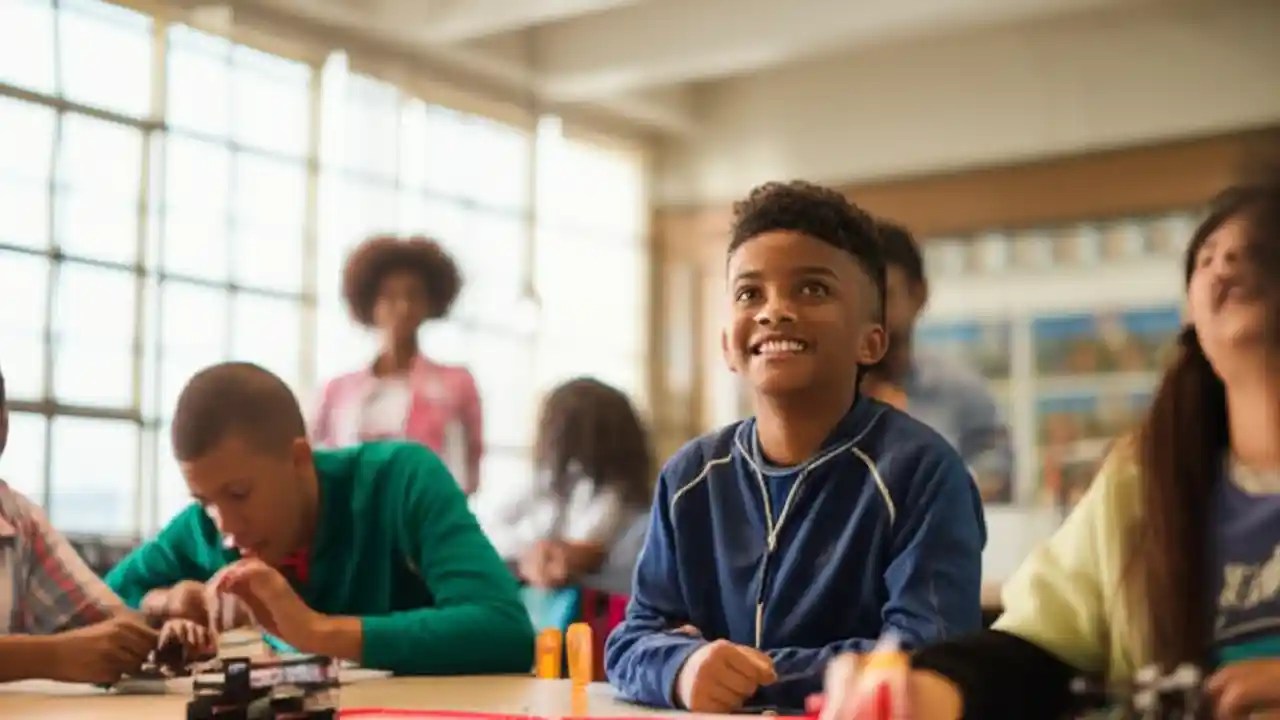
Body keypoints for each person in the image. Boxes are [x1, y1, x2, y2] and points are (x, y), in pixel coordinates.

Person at [818, 171, 1280, 720]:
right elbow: (1039, 646)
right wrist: (928, 692)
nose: (1224, 265)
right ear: (1190, 317)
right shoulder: (1140, 484)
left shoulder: (959, 395)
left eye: (1254, 250)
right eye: (1206, 257)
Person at [603, 181, 987, 713]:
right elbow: (630, 640)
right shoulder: (690, 477)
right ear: (727, 346)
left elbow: (926, 653)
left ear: (871, 340)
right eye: (749, 293)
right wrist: (684, 667)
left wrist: (749, 674)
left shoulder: (922, 473)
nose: (774, 310)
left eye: (812, 289)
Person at [105, 361, 534, 676]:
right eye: (205, 501)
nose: (226, 527)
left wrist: (315, 631)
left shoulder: (402, 479)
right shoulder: (205, 527)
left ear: (298, 459)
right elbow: (92, 607)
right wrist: (168, 602)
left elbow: (505, 630)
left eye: (239, 494)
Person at [0, 362, 211, 683]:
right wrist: (50, 656)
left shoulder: (17, 519)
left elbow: (107, 621)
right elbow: (70, 648)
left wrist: (163, 634)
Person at [311, 235, 483, 495]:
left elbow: (469, 467)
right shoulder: (337, 391)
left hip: (426, 517)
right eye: (389, 296)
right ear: (371, 304)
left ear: (430, 303)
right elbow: (321, 461)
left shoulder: (456, 385)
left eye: (413, 295)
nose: (402, 307)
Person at [860, 220, 1014, 502]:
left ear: (919, 295)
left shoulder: (961, 390)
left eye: (884, 297)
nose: (872, 316)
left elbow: (997, 471)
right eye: (861, 300)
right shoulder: (828, 396)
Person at [477, 377, 653, 590]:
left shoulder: (639, 517)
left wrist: (571, 557)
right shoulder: (547, 485)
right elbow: (488, 526)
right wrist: (532, 553)